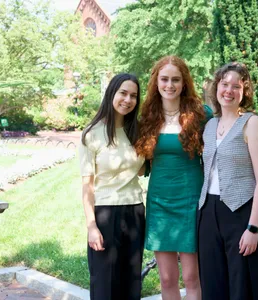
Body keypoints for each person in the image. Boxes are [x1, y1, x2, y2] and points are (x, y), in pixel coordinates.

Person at [135, 56, 212, 300]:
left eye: (176, 80)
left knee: (192, 277)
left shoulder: (201, 115)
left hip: (190, 201)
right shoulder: (147, 118)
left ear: (184, 83)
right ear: (156, 82)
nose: (170, 85)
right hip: (159, 202)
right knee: (167, 278)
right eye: (165, 79)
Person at [197, 62, 258, 300]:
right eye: (224, 84)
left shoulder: (251, 123)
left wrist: (253, 228)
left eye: (236, 86)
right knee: (212, 284)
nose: (228, 90)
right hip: (208, 212)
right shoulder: (209, 126)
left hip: (241, 213)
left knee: (242, 287)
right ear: (217, 87)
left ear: (244, 92)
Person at [79, 73, 145, 300]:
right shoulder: (92, 134)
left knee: (131, 281)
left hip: (135, 211)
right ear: (112, 94)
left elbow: (141, 170)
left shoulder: (138, 130)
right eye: (123, 93)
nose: (128, 100)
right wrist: (91, 226)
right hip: (106, 213)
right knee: (104, 283)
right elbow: (87, 186)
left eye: (133, 96)